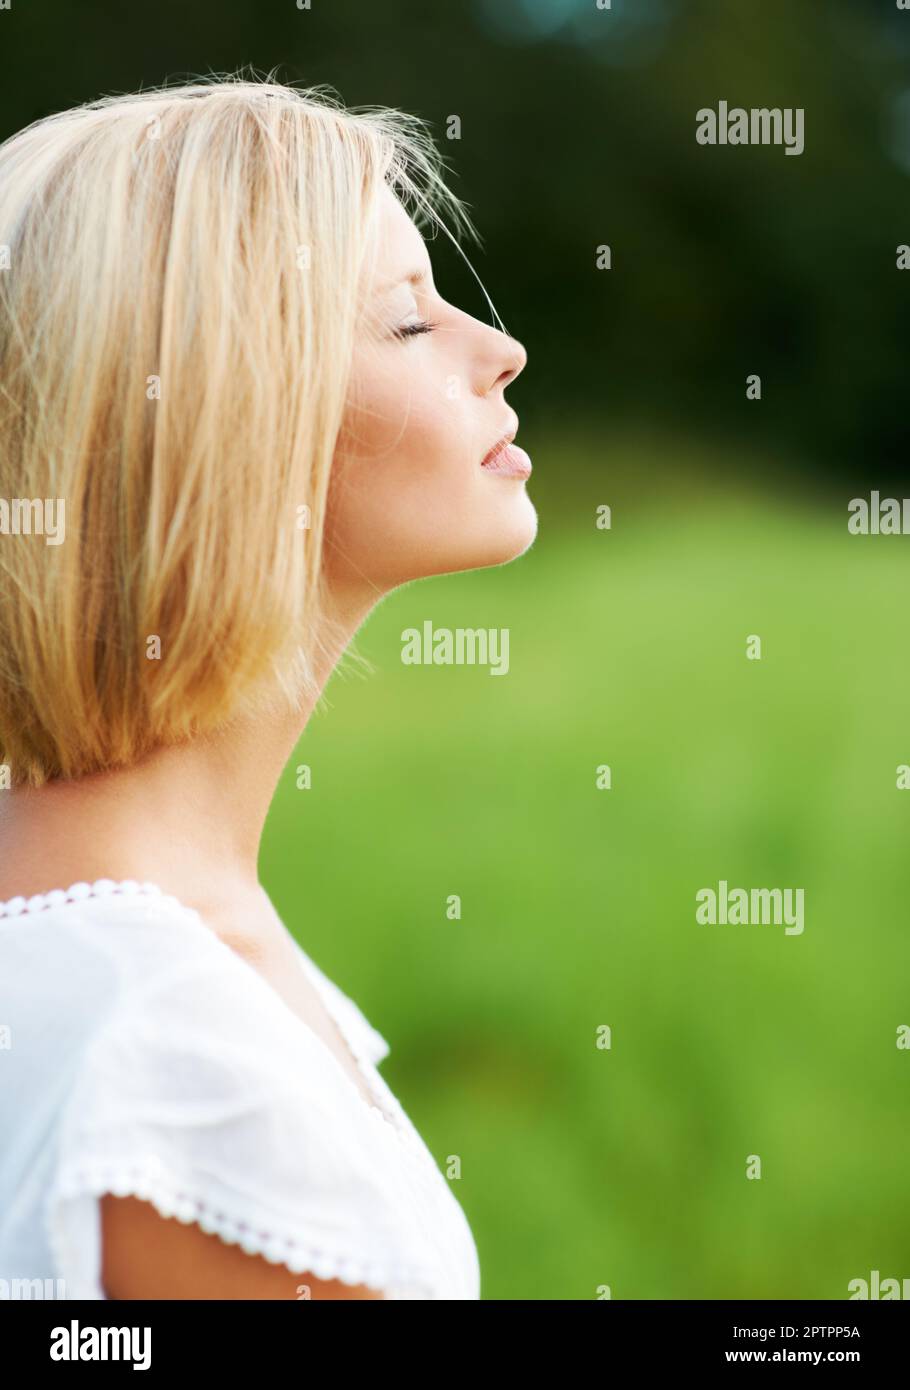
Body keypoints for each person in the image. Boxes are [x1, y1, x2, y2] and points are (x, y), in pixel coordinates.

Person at [0, 76, 535, 1300]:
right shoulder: (183, 1071)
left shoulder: (116, 934)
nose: (498, 350)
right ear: (220, 419)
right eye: (408, 322)